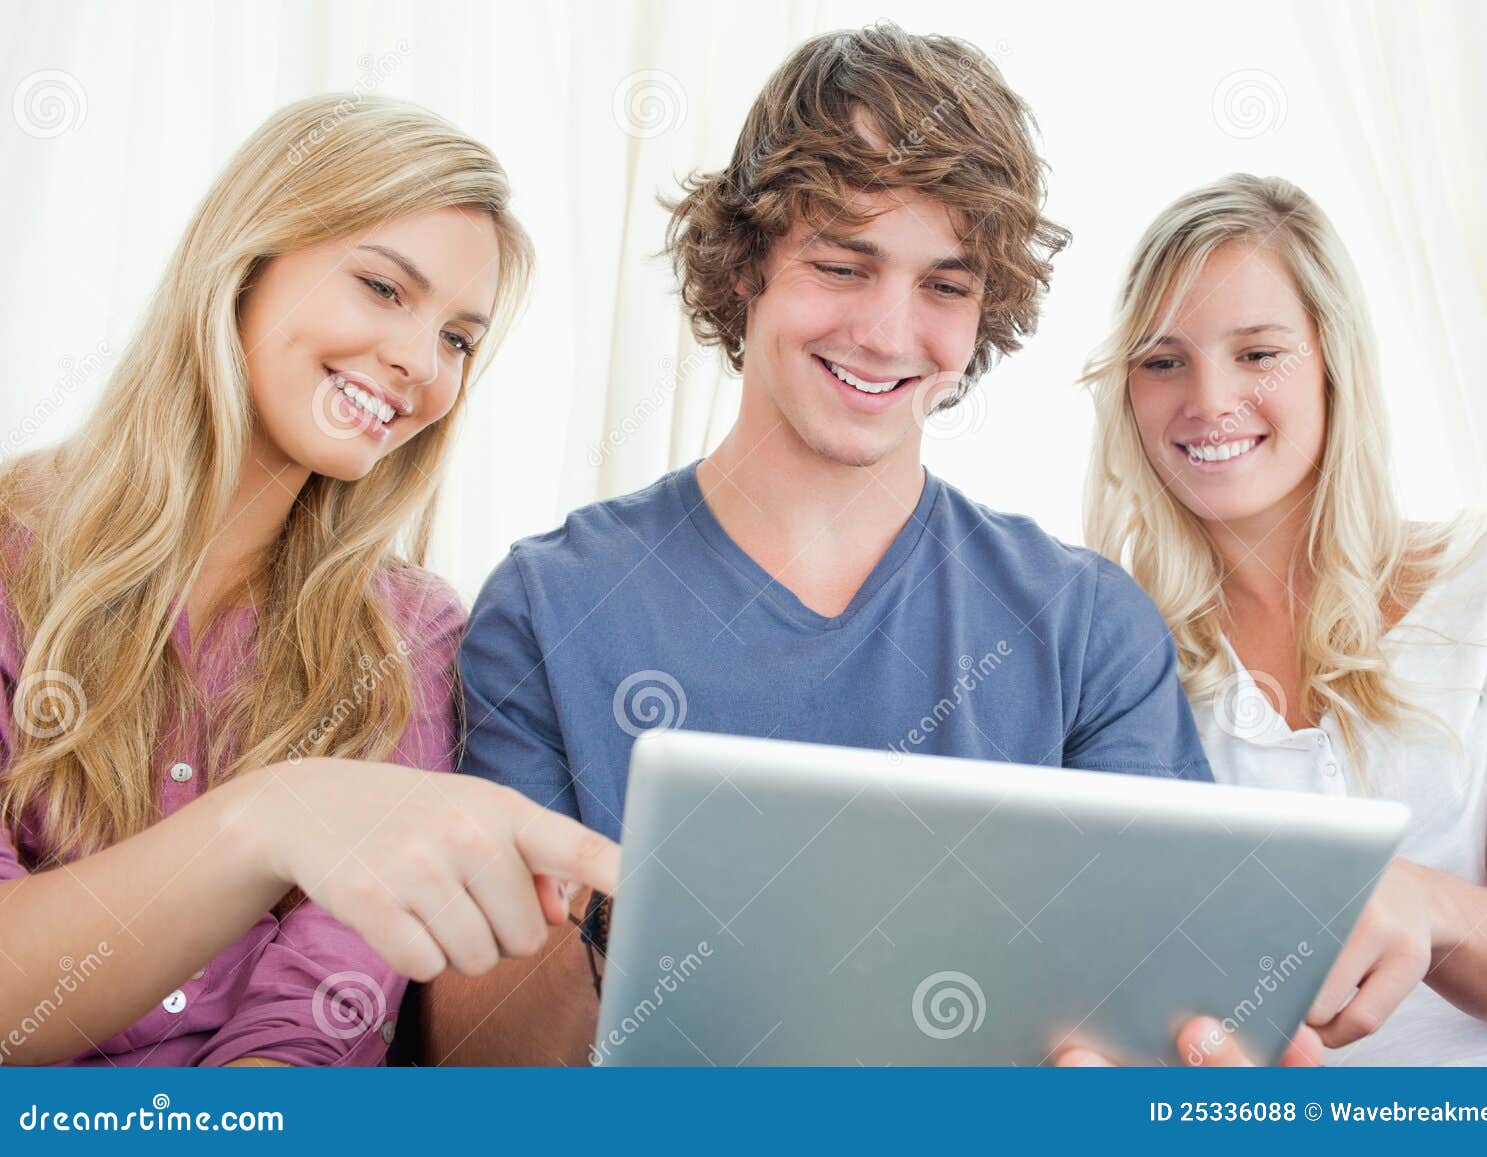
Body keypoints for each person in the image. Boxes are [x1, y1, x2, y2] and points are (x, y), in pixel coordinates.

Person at [423, 24, 1234, 1067]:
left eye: (945, 285)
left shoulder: (1083, 626)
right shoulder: (548, 603)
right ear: (744, 265)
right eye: (843, 264)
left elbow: (1168, 1004)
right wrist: (639, 922)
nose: (889, 334)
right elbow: (482, 1063)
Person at [0, 94, 618, 1067]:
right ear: (245, 263)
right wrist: (266, 821)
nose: (420, 362)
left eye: (459, 337)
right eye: (381, 287)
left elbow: (318, 1018)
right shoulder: (12, 554)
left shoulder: (409, 633)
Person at [1078, 173, 1487, 1065]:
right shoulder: (1114, 654)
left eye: (1257, 353)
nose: (1208, 399)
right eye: (1164, 360)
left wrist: (1424, 905)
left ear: (1333, 363)